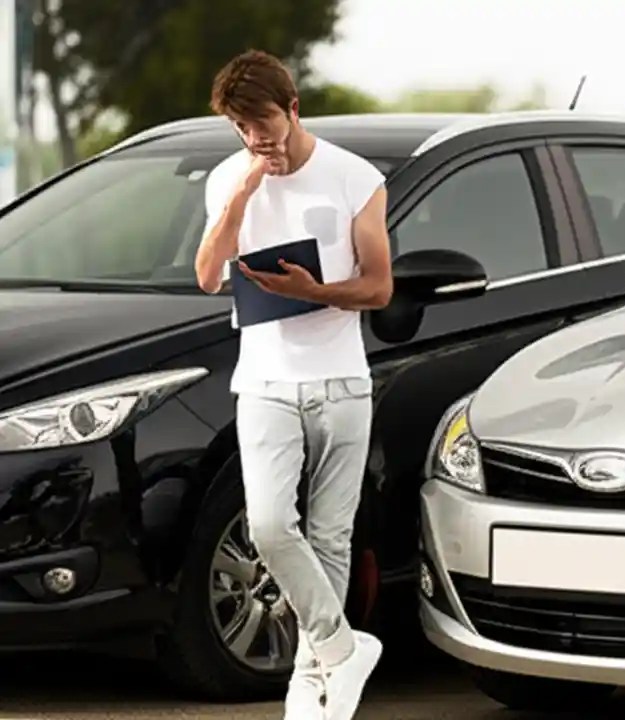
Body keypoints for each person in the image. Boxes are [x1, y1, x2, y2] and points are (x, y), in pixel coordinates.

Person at [193, 49, 393, 720]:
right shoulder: (229, 177)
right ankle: (342, 648)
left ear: (293, 108)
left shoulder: (354, 177)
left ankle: (312, 686)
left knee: (331, 539)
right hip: (265, 383)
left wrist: (316, 292)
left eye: (266, 124)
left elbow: (379, 286)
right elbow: (208, 275)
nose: (258, 139)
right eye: (243, 128)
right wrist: (244, 192)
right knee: (271, 527)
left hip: (342, 383)